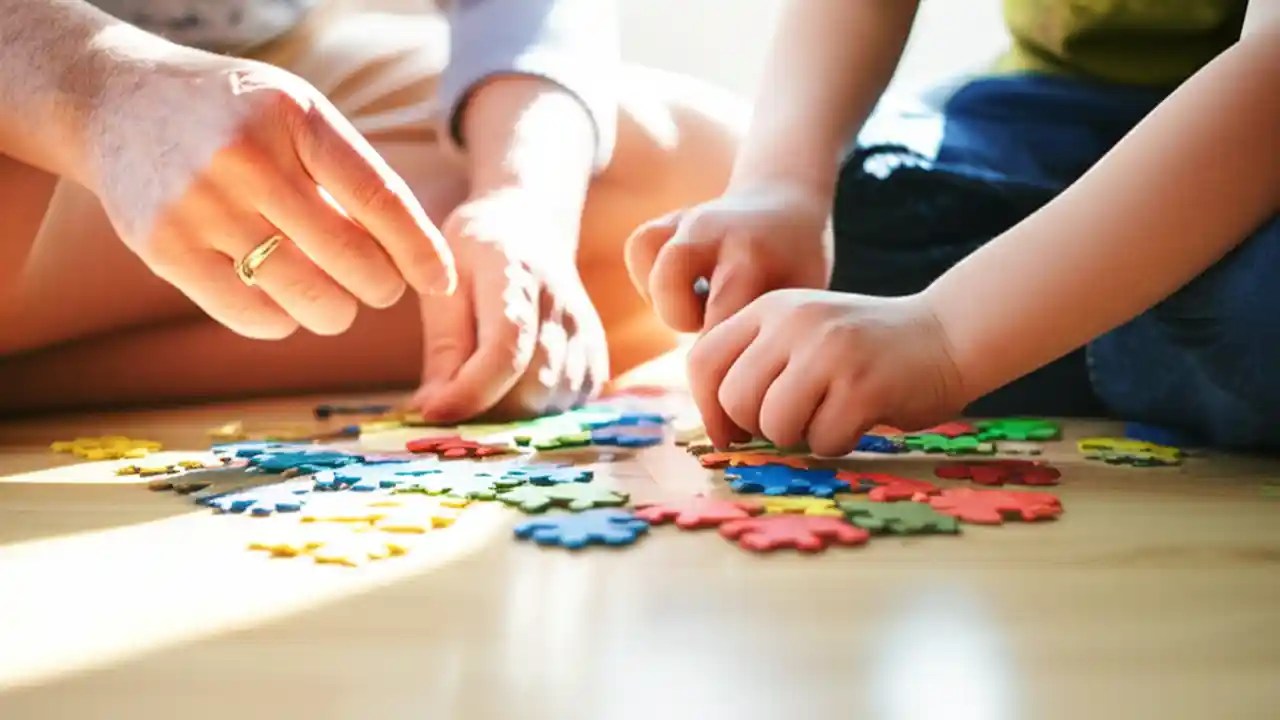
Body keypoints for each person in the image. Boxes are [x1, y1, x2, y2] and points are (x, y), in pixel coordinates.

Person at [0, 0, 744, 418]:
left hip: (261, 49)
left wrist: (522, 202)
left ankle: (33, 367)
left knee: (705, 189)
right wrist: (103, 89)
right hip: (30, 75)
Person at [625, 0, 1280, 452]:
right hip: (1048, 111)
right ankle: (1087, 332)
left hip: (1253, 134)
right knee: (852, 215)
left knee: (1263, 308)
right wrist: (782, 186)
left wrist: (944, 337)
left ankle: (1045, 336)